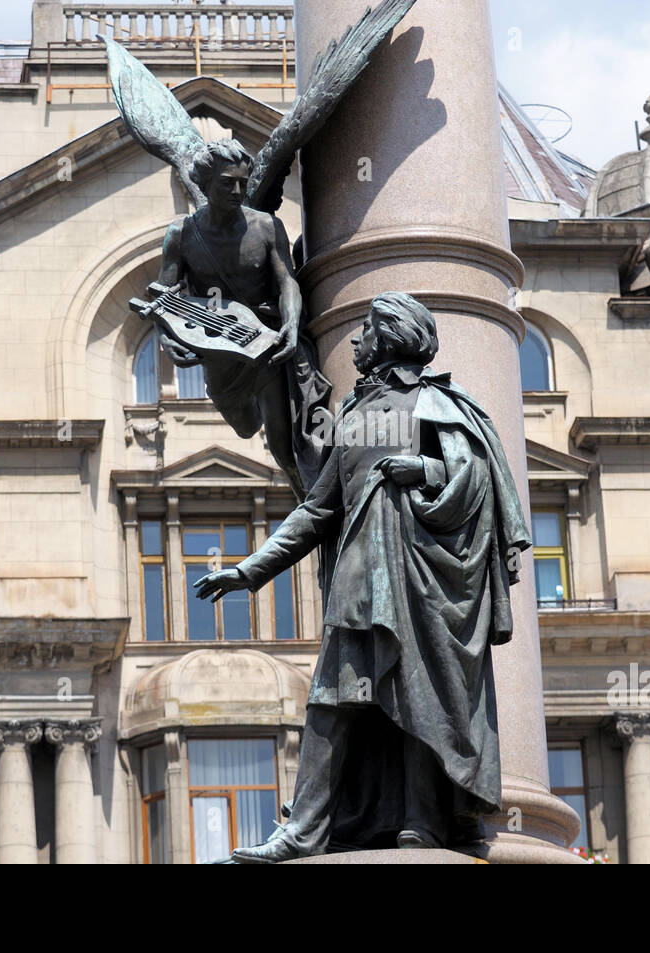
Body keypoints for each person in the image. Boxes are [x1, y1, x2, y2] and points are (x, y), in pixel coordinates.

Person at [194, 292, 531, 861]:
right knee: (330, 701)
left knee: (418, 699)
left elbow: (477, 481)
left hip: (420, 579)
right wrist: (250, 571)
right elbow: (318, 509)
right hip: (357, 582)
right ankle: (302, 832)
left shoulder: (438, 403)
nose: (354, 342)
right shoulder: (352, 415)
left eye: (365, 331)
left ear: (391, 336)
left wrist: (421, 468)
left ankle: (422, 825)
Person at [156, 138, 328, 496]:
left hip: (266, 340)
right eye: (226, 183)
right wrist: (167, 338)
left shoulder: (266, 226)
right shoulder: (181, 235)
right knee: (246, 426)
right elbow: (164, 299)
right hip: (221, 348)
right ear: (205, 184)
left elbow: (287, 283)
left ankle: (314, 512)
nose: (237, 191)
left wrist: (292, 326)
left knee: (282, 445)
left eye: (243, 183)